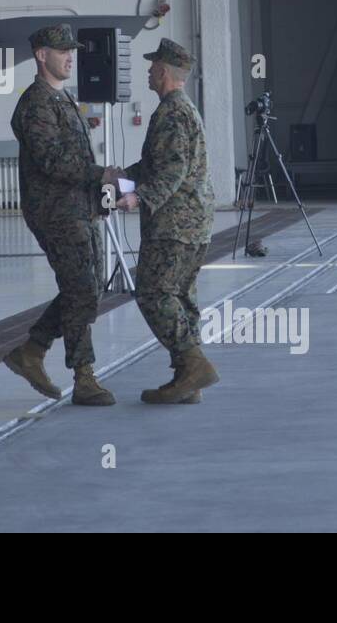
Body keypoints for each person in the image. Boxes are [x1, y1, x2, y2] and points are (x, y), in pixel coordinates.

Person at [3, 23, 115, 407]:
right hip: (54, 211)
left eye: (72, 51)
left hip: (78, 207)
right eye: (63, 50)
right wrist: (102, 175)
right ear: (41, 55)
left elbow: (78, 159)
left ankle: (31, 351)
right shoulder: (35, 103)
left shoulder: (63, 98)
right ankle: (83, 377)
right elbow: (52, 160)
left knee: (88, 286)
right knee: (82, 287)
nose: (71, 57)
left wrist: (98, 195)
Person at [114, 39, 219, 404]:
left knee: (154, 292)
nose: (147, 72)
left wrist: (138, 196)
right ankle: (187, 380)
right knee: (180, 296)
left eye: (151, 66)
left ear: (162, 71)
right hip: (193, 222)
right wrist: (120, 177)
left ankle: (193, 365)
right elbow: (157, 164)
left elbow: (173, 169)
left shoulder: (172, 112)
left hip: (175, 223)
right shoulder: (179, 109)